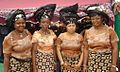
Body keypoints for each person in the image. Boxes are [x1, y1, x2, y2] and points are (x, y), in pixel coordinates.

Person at [56, 4, 83, 72]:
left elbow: (83, 51)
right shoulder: (61, 36)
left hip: (76, 63)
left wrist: (79, 64)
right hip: (65, 63)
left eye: (73, 25)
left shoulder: (80, 37)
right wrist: (62, 62)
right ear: (66, 27)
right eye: (69, 26)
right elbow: (58, 49)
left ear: (76, 26)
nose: (71, 27)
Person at [32, 4, 57, 72]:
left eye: (47, 22)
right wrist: (34, 67)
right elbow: (33, 52)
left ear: (49, 23)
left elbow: (53, 48)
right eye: (43, 22)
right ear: (40, 24)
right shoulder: (36, 35)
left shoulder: (52, 33)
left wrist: (55, 61)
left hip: (50, 61)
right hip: (40, 61)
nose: (45, 24)